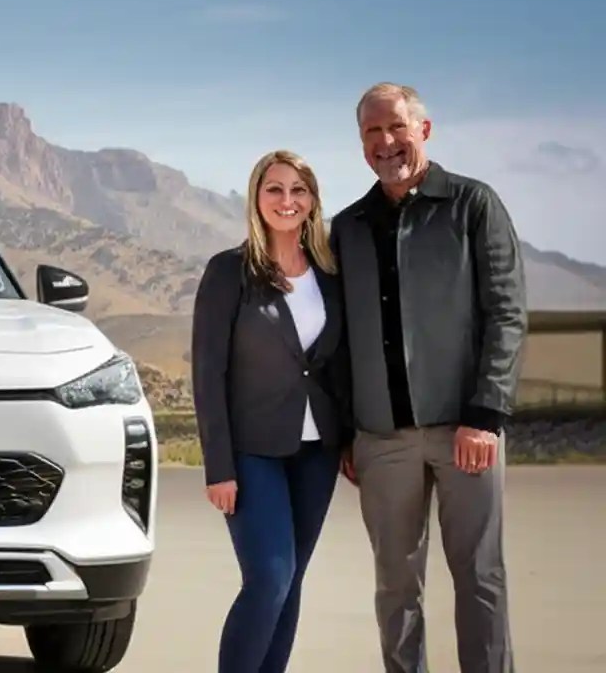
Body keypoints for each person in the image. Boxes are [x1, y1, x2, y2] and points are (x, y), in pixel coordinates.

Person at [330, 82, 526, 673]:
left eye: (396, 128)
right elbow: (337, 341)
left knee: (480, 578)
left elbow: (507, 313)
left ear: (424, 130)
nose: (385, 142)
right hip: (381, 439)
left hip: (465, 431)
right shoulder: (348, 227)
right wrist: (349, 434)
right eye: (372, 131)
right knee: (395, 587)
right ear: (361, 142)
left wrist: (485, 416)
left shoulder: (474, 205)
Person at [191, 149, 354, 673]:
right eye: (275, 189)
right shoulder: (229, 272)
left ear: (313, 200)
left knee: (291, 583)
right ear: (257, 199)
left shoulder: (330, 275)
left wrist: (348, 440)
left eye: (298, 190)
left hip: (317, 453)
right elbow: (208, 374)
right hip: (251, 451)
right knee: (269, 577)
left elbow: (337, 368)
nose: (287, 200)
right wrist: (219, 466)